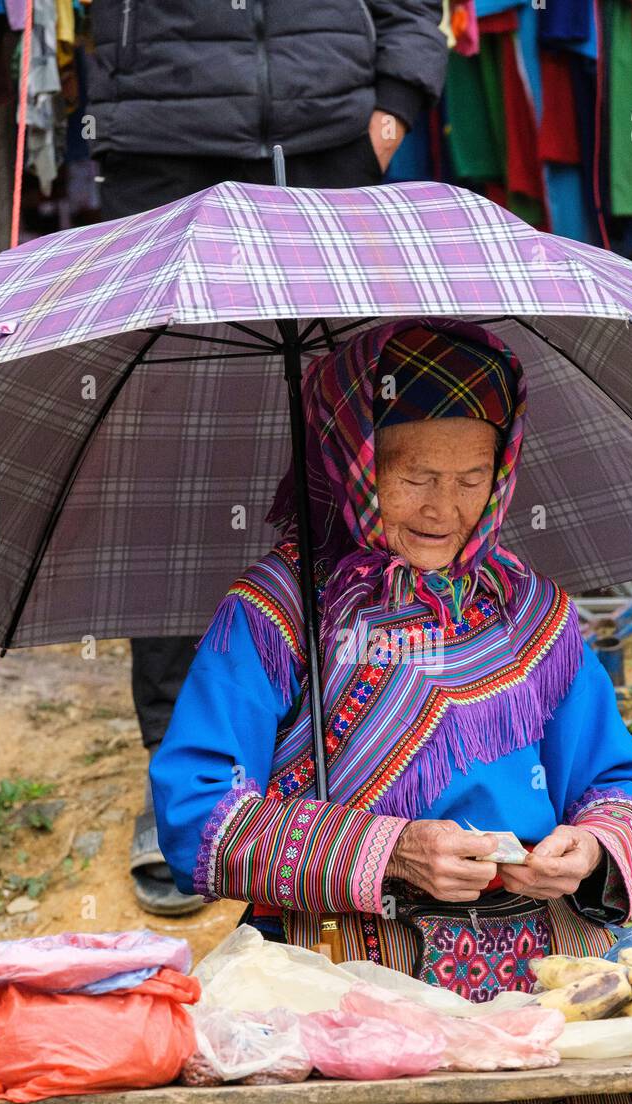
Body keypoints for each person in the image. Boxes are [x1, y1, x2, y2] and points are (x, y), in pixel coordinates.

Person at [150, 319, 632, 1104]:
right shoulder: (274, 615)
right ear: (350, 459)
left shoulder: (537, 619)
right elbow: (197, 815)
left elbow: (615, 782)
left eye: (472, 473)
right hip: (341, 1021)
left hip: (525, 1026)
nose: (445, 504)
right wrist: (388, 848)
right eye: (411, 472)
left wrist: (588, 847)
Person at [84, 0, 448, 914]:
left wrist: (393, 102)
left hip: (330, 139)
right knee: (171, 463)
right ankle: (184, 781)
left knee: (349, 450)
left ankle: (355, 758)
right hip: (165, 144)